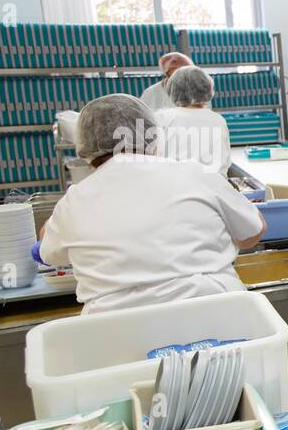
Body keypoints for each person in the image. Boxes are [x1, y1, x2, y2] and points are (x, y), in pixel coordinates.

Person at [39, 94, 265, 314]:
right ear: (152, 134)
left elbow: (48, 253)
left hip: (115, 328)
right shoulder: (196, 173)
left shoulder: (74, 200)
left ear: (84, 145)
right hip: (217, 315)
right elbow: (253, 232)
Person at [154, 66, 232, 176]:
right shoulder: (218, 119)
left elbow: (151, 158)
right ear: (207, 89)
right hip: (214, 183)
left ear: (172, 90)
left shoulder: (162, 118)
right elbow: (226, 161)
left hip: (175, 183)